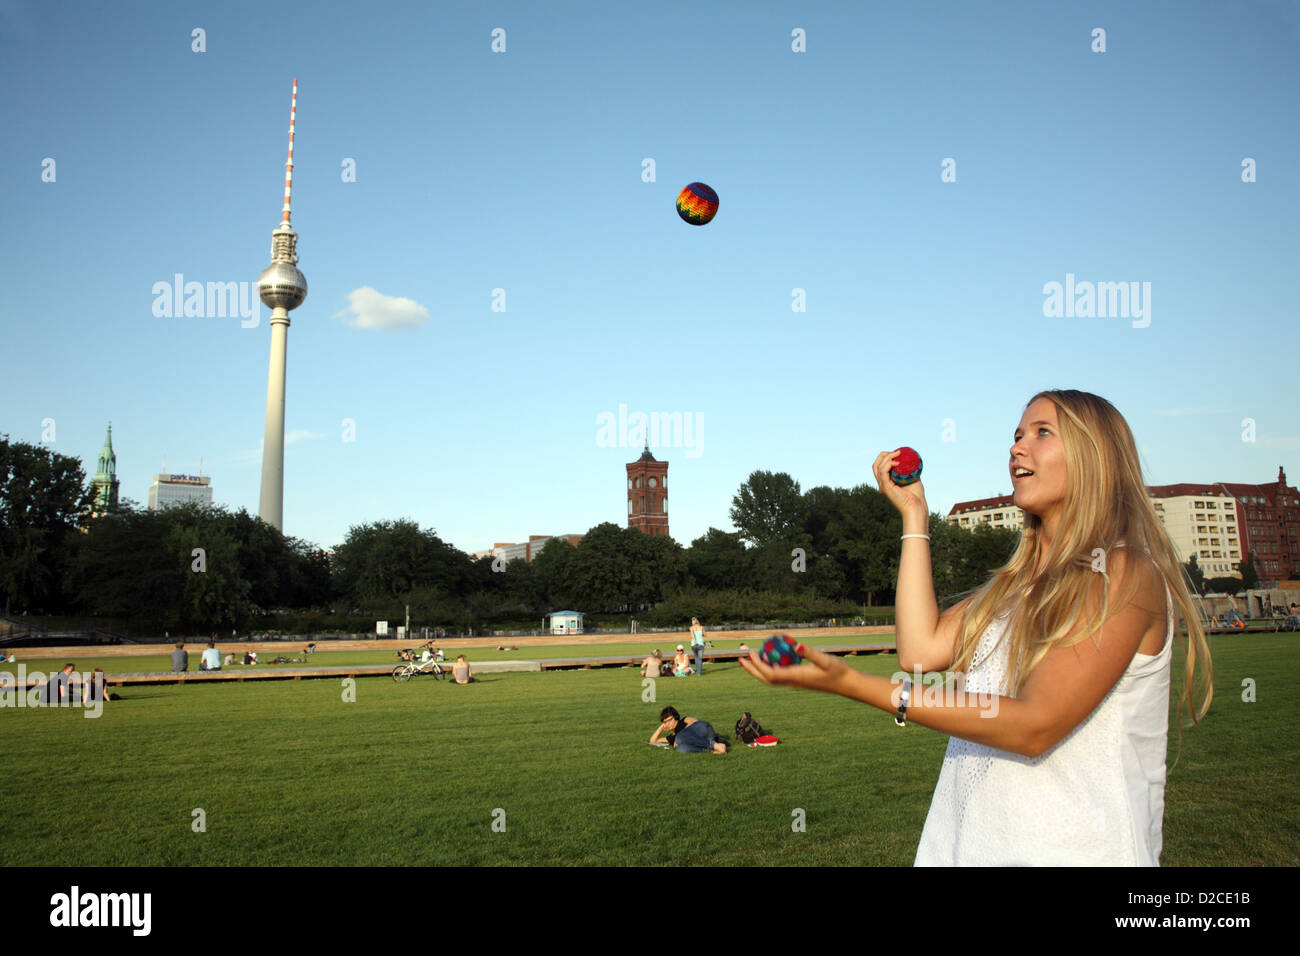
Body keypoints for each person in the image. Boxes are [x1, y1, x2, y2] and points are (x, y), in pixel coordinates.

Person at [741, 390, 1213, 866]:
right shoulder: (1012, 588)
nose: (1016, 447)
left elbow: (1034, 724)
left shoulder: (1123, 573)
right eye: (1017, 435)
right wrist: (914, 517)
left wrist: (854, 684)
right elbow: (919, 651)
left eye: (1042, 433)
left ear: (1095, 458)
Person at [650, 706, 726, 754]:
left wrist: (681, 736)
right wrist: (660, 728)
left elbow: (696, 723)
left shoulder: (684, 720)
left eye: (669, 720)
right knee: (680, 749)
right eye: (665, 722)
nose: (667, 724)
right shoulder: (673, 737)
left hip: (704, 731)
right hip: (704, 742)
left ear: (675, 717)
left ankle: (714, 745)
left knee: (680, 738)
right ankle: (712, 750)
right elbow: (653, 741)